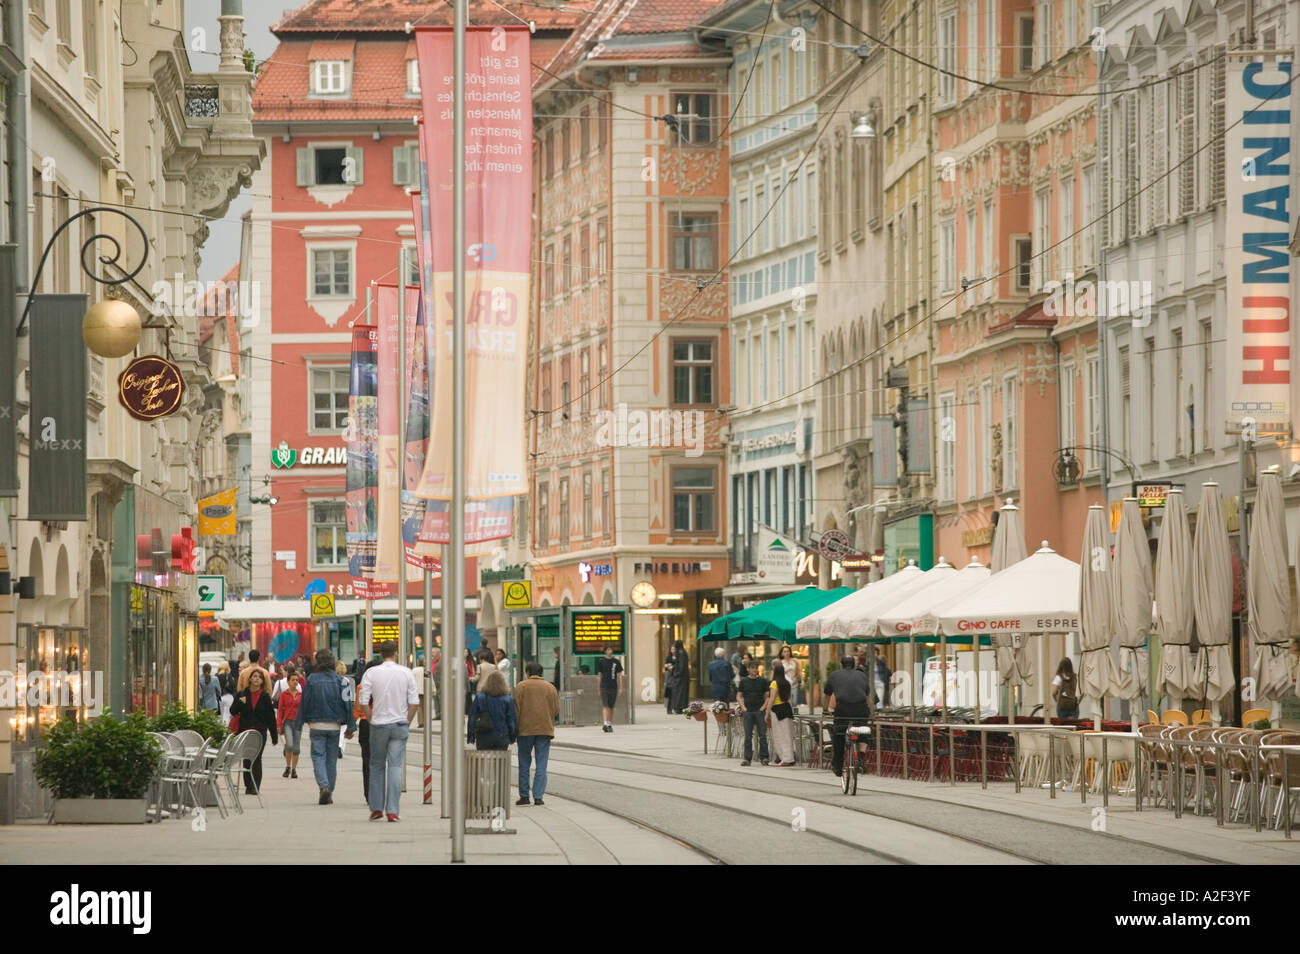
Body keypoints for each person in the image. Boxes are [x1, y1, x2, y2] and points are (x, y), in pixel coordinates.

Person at [359, 639, 420, 822]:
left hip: (379, 724)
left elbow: (363, 701)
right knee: (395, 766)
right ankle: (392, 810)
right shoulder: (406, 673)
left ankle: (376, 807)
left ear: (380, 653)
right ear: (396, 653)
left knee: (376, 765)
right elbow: (415, 702)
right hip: (399, 724)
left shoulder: (371, 673)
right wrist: (406, 721)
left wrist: (371, 719)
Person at [294, 648, 356, 805]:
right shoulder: (342, 681)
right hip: (335, 725)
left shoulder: (312, 680)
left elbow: (304, 702)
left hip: (316, 723)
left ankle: (324, 786)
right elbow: (348, 703)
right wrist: (350, 726)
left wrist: (299, 723)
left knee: (318, 756)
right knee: (331, 760)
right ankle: (329, 789)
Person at [513, 662, 559, 806]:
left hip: (525, 730)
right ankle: (538, 797)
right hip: (544, 729)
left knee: (524, 763)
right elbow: (556, 709)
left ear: (527, 672)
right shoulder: (550, 687)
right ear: (541, 673)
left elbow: (516, 709)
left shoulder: (521, 686)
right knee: (541, 764)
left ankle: (524, 796)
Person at [230, 669, 278, 796]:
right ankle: (248, 785)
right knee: (247, 758)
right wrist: (241, 703)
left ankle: (255, 786)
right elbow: (232, 711)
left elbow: (270, 717)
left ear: (262, 681)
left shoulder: (265, 696)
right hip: (245, 731)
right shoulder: (242, 694)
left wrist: (274, 736)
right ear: (250, 679)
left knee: (256, 758)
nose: (257, 679)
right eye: (254, 676)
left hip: (259, 732)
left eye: (259, 677)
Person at [823, 656, 872, 777]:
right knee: (863, 731)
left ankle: (838, 766)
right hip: (861, 709)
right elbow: (867, 695)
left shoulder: (834, 675)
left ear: (841, 665)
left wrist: (825, 710)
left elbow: (827, 695)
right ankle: (860, 756)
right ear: (854, 664)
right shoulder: (862, 675)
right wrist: (870, 711)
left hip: (842, 709)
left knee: (838, 734)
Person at [467, 669, 517, 751]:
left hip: (483, 734)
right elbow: (511, 720)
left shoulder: (480, 696)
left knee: (483, 760)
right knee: (500, 761)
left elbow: (472, 716)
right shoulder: (507, 699)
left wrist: (471, 735)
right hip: (502, 735)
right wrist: (512, 737)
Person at [736, 660, 771, 766]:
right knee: (747, 736)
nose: (754, 670)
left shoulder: (763, 681)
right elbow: (738, 696)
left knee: (763, 735)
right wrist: (743, 708)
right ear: (748, 669)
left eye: (756, 668)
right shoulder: (744, 681)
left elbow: (767, 696)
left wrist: (763, 708)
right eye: (752, 668)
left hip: (759, 711)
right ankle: (747, 758)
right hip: (748, 711)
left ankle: (764, 757)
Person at [277, 671, 303, 778]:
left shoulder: (301, 695)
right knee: (290, 745)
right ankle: (287, 766)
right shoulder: (284, 695)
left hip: (298, 723)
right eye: (293, 680)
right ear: (288, 682)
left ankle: (294, 769)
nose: (295, 682)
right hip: (287, 722)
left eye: (297, 680)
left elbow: (303, 710)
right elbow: (279, 711)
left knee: (296, 748)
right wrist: (279, 724)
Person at [769, 662, 796, 766]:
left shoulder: (774, 683)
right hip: (787, 709)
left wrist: (767, 713)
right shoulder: (787, 683)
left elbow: (771, 699)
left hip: (777, 710)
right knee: (788, 735)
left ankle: (784, 758)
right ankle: (789, 758)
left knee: (779, 735)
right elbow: (789, 698)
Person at [596, 645, 624, 732]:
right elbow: (599, 676)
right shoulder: (601, 661)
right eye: (608, 649)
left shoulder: (616, 662)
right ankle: (605, 723)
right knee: (606, 705)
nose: (609, 651)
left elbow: (619, 676)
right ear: (605, 651)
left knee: (611, 706)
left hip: (613, 686)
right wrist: (598, 688)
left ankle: (609, 723)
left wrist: (620, 688)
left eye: (611, 649)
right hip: (604, 686)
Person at [336, 661, 355, 758]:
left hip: (335, 708)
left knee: (337, 729)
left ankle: (337, 747)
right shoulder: (346, 681)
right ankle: (340, 747)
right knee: (344, 728)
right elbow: (349, 696)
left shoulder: (334, 680)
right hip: (344, 707)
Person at [667, 640, 690, 714]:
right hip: (682, 677)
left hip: (680, 678)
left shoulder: (681, 653)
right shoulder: (682, 652)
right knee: (680, 693)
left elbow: (681, 666)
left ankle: (679, 708)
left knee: (679, 693)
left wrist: (676, 673)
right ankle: (680, 707)